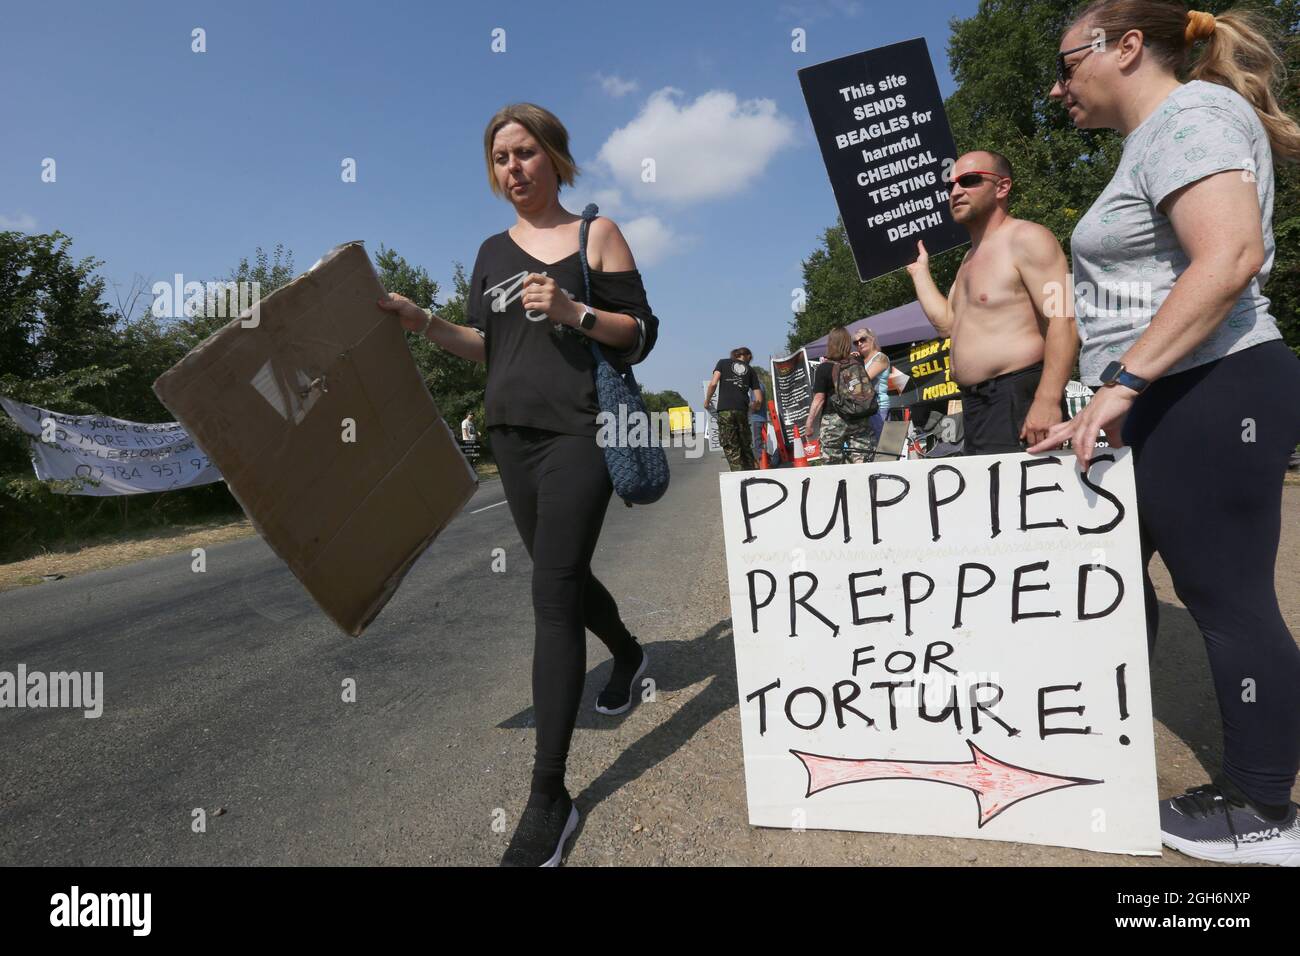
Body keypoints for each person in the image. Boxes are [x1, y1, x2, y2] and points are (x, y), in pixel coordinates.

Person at [1031, 1, 1300, 866]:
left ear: (1126, 46)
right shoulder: (1151, 141)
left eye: (1069, 64)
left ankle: (1263, 808)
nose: (1058, 84)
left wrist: (1124, 383)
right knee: (1110, 575)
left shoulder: (1191, 116)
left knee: (1227, 598)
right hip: (1162, 392)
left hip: (1212, 388)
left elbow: (1230, 255)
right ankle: (1091, 740)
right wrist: (1101, 396)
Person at [378, 103, 658, 867]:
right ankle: (629, 655)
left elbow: (639, 333)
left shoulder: (593, 233)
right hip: (511, 438)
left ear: (555, 157)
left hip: (581, 433)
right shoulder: (490, 251)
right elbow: (488, 343)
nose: (514, 169)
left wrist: (575, 309)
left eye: (526, 153)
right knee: (558, 578)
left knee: (551, 593)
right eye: (501, 158)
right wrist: (422, 321)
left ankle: (549, 797)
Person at [905, 150, 1078, 454]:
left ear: (1002, 187)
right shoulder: (969, 259)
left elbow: (1064, 319)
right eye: (951, 185)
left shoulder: (1029, 238)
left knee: (1023, 500)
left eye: (969, 181)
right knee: (996, 501)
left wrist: (1047, 399)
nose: (956, 191)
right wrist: (920, 274)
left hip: (1017, 397)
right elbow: (947, 325)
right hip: (977, 405)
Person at [804, 328, 877, 464]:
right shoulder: (857, 362)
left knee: (832, 461)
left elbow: (819, 399)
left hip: (834, 420)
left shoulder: (824, 368)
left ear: (830, 344)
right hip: (859, 417)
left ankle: (839, 484)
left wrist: (809, 423)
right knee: (861, 457)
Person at [705, 347, 762, 471]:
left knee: (731, 446)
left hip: (725, 410)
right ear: (747, 356)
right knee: (745, 445)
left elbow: (713, 383)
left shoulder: (723, 363)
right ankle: (753, 476)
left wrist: (707, 401)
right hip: (742, 409)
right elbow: (758, 399)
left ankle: (739, 478)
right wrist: (752, 407)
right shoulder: (751, 370)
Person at [852, 327, 892, 441]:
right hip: (866, 409)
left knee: (883, 446)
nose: (859, 343)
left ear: (872, 339)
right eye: (856, 342)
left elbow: (863, 379)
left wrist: (855, 363)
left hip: (879, 408)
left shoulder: (880, 358)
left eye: (862, 339)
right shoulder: (861, 361)